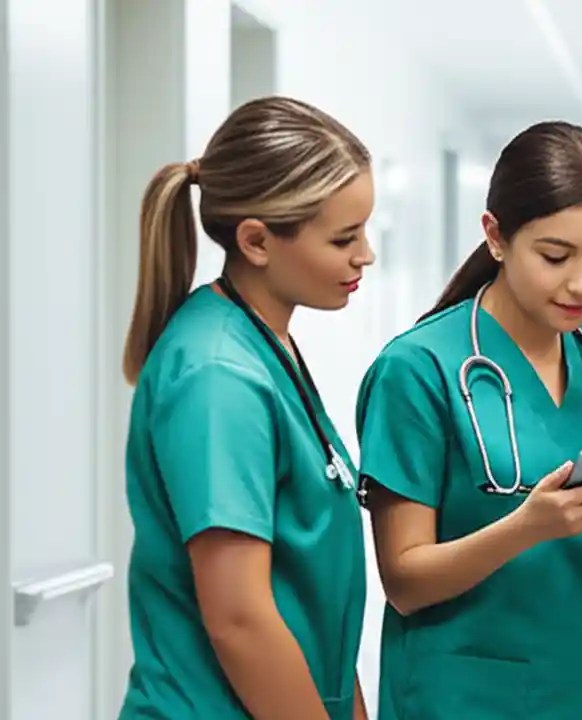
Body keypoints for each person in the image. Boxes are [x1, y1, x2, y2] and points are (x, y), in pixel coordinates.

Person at [355, 120, 582, 720]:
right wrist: (527, 526)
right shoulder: (419, 369)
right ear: (496, 236)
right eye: (555, 256)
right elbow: (405, 582)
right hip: (464, 698)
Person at [118, 96, 376, 719]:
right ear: (257, 241)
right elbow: (240, 619)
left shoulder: (266, 344)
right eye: (343, 238)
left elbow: (308, 607)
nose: (365, 254)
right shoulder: (217, 374)